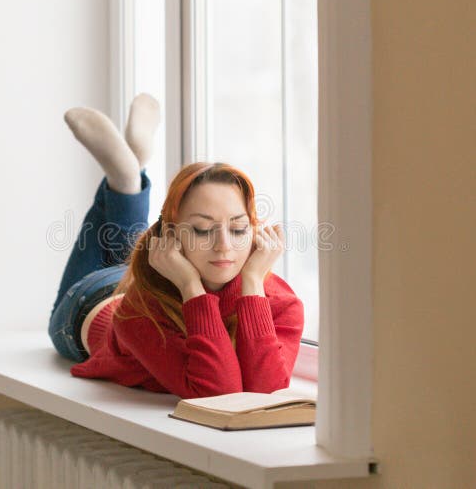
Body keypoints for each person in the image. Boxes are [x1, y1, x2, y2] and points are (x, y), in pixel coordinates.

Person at [49, 94, 305, 399]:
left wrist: (251, 283)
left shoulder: (282, 303)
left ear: (254, 231)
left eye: (237, 229)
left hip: (154, 274)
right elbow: (216, 392)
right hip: (87, 305)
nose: (224, 246)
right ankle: (128, 177)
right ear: (172, 238)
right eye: (201, 229)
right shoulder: (138, 314)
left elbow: (266, 391)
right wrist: (189, 286)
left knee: (129, 247)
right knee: (128, 249)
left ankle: (127, 178)